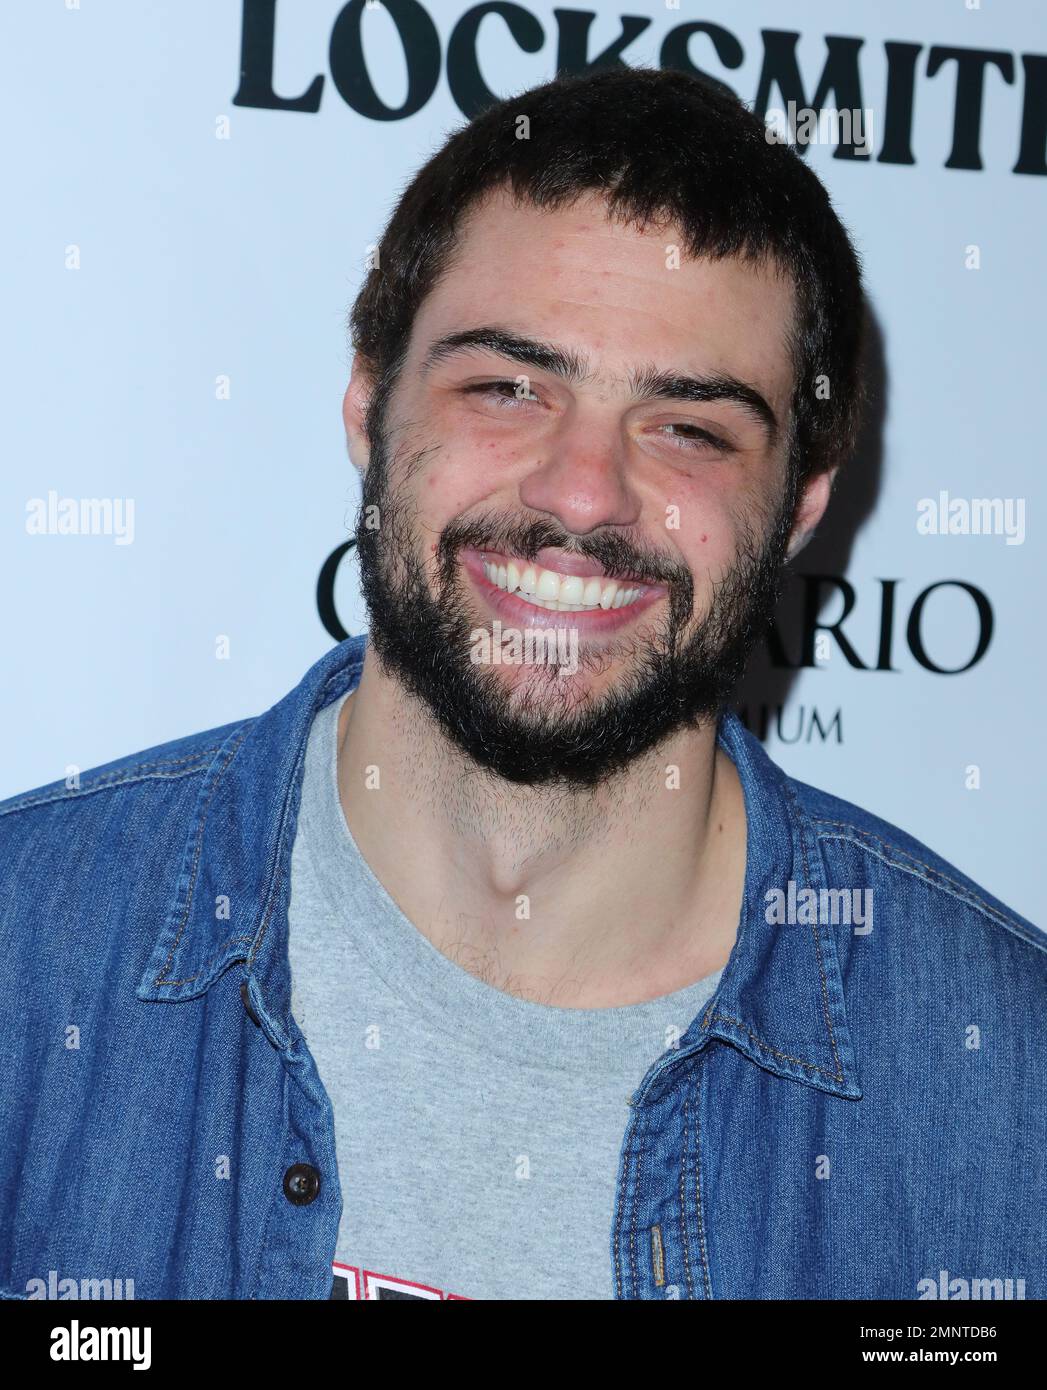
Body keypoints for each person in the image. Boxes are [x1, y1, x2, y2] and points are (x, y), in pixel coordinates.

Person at [1, 67, 1043, 1303]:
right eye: (508, 387)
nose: (582, 492)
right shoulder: (31, 951)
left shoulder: (1006, 1087)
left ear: (801, 506)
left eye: (690, 428)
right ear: (367, 400)